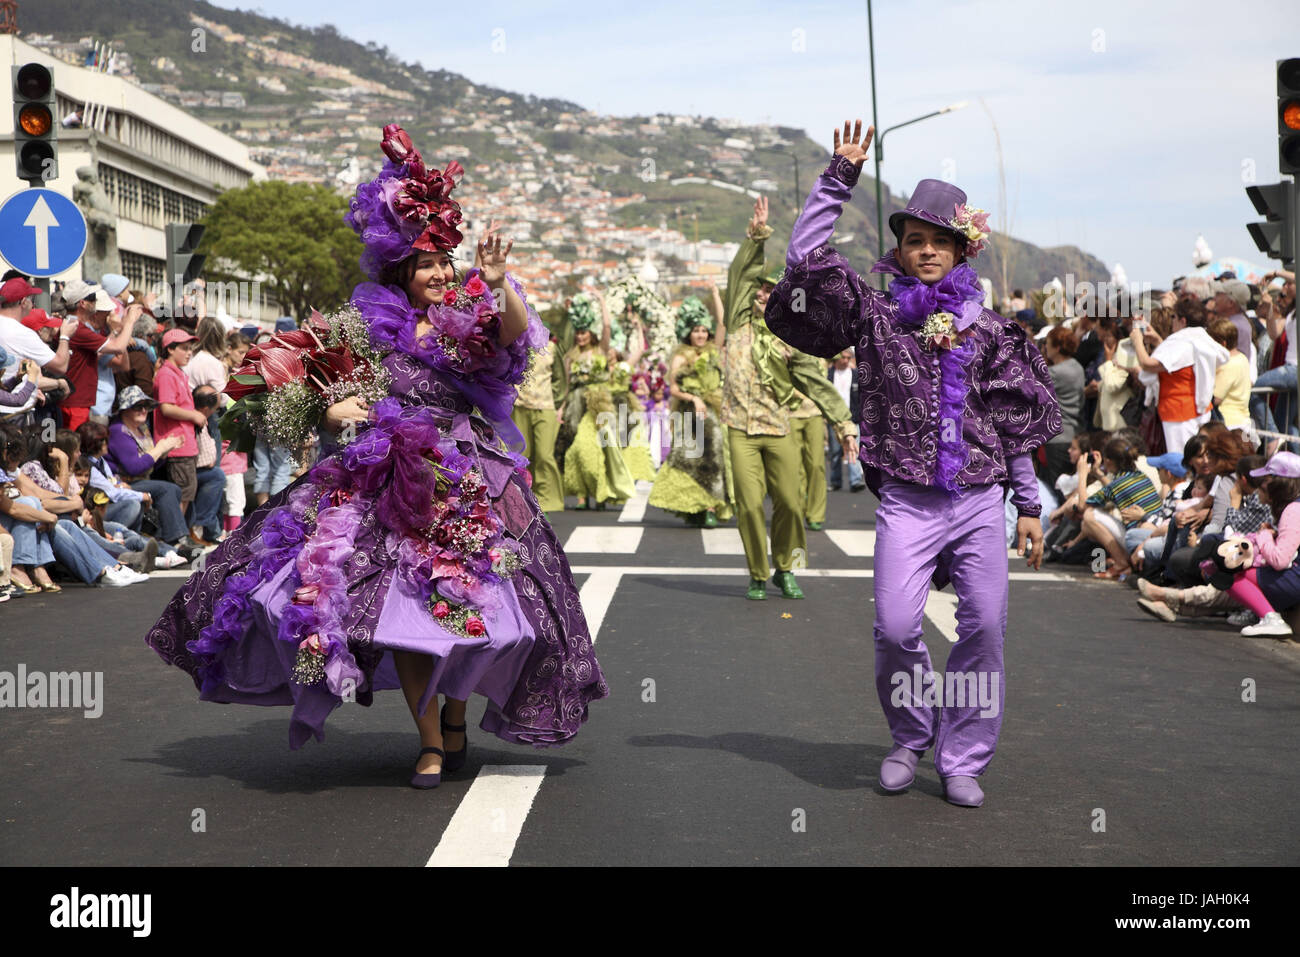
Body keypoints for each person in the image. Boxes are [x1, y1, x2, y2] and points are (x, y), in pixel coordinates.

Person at [144, 124, 607, 788]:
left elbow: (509, 338)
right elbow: (324, 390)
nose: (442, 273)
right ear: (403, 271)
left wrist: (501, 282)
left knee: (473, 611)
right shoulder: (368, 325)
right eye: (429, 264)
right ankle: (427, 737)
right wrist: (336, 410)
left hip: (462, 479)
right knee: (402, 617)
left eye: (447, 262)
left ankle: (454, 714)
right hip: (385, 478)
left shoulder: (470, 318)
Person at [765, 120, 1061, 808]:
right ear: (899, 248)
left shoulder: (991, 330)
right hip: (907, 500)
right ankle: (909, 733)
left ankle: (962, 756)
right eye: (914, 240)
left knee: (984, 626)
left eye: (938, 241)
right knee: (897, 627)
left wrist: (1028, 505)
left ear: (962, 249)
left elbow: (1013, 424)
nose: (925, 251)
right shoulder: (873, 313)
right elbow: (804, 263)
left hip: (980, 499)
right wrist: (837, 177)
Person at [721, 194, 856, 600]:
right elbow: (739, 276)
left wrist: (844, 423)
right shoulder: (736, 324)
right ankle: (758, 574)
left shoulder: (788, 338)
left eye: (769, 292)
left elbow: (816, 384)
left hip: (778, 427)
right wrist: (756, 238)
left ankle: (788, 568)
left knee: (791, 504)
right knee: (748, 505)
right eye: (758, 291)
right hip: (740, 429)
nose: (762, 296)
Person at [648, 293, 732, 526]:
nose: (701, 335)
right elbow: (672, 388)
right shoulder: (681, 356)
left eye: (704, 330)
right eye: (696, 330)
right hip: (689, 415)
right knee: (688, 459)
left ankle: (712, 506)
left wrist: (715, 295)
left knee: (714, 457)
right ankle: (694, 506)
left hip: (712, 414)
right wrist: (694, 398)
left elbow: (723, 324)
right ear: (689, 333)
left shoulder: (713, 349)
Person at [1131, 299, 1228, 456]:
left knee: (1181, 460)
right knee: (1197, 457)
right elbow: (1177, 361)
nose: (1171, 321)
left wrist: (1137, 342)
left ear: (1182, 320)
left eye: (1173, 317)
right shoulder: (1197, 338)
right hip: (1195, 410)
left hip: (1178, 413)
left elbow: (1148, 364)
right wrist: (1157, 340)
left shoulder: (1182, 342)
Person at [827, 348, 865, 492]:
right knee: (835, 451)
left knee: (853, 449)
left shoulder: (856, 375)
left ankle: (855, 481)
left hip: (853, 419)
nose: (846, 361)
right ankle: (835, 481)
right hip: (835, 419)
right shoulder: (829, 375)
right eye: (843, 357)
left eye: (849, 358)